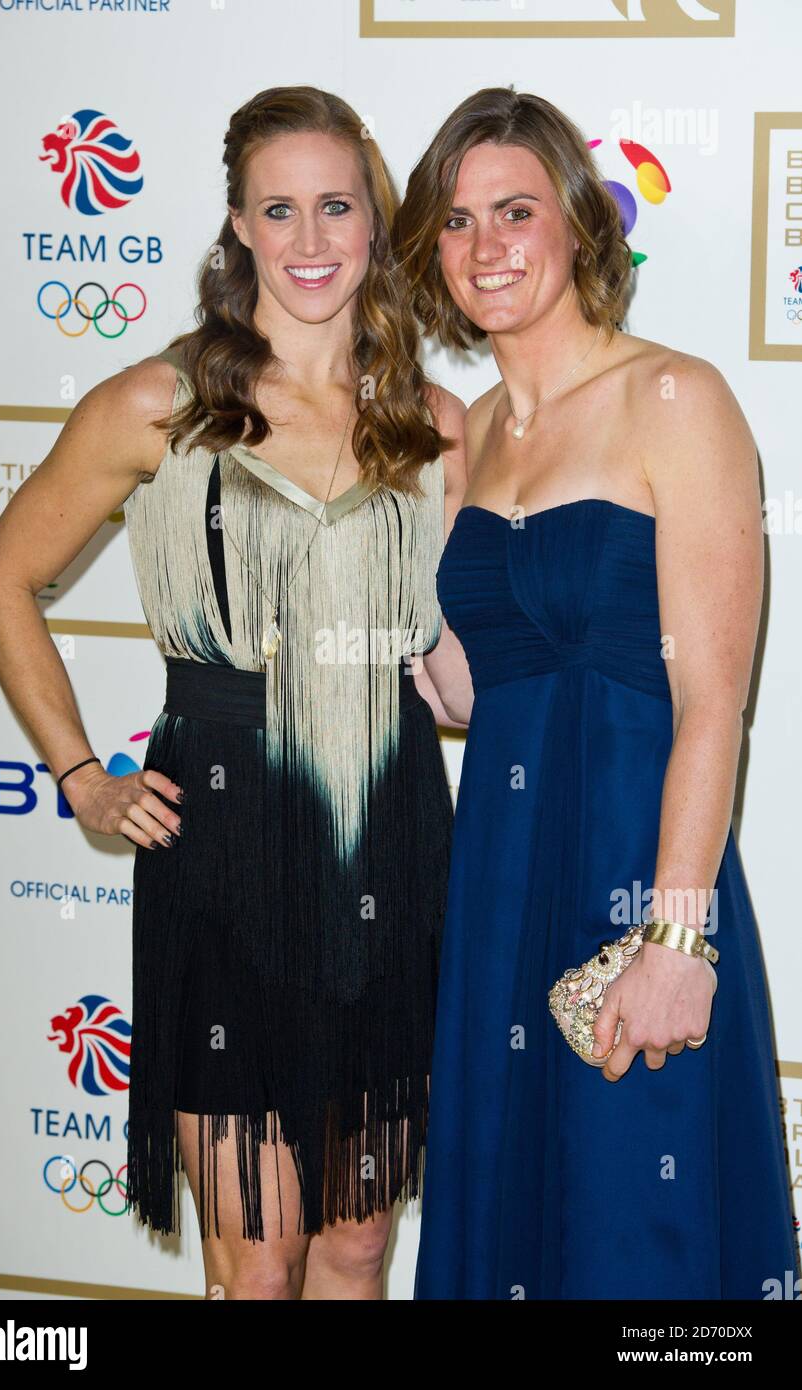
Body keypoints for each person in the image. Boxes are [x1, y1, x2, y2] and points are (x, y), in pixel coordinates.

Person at [0, 85, 470, 1300]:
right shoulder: (159, 402)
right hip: (225, 842)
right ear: (236, 225)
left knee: (356, 1244)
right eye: (278, 209)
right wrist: (80, 773)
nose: (310, 241)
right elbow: (3, 576)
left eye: (336, 207)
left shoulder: (435, 424)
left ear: (373, 219)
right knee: (258, 1253)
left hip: (389, 833)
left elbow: (455, 669)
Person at [395, 86, 800, 1300]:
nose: (485, 249)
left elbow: (712, 702)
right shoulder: (468, 438)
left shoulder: (672, 399)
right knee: (511, 1204)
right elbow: (471, 685)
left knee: (636, 1224)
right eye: (456, 223)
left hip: (638, 867)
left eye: (513, 211)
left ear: (577, 222)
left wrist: (679, 935)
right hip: (500, 883)